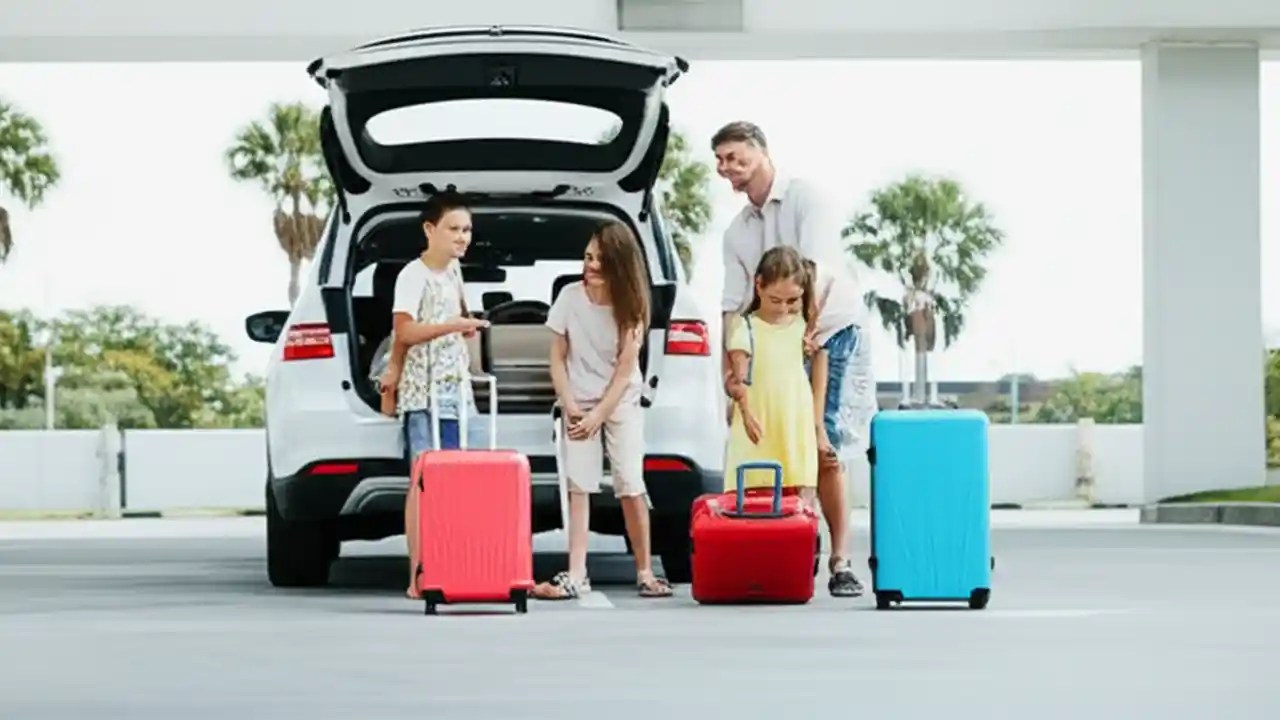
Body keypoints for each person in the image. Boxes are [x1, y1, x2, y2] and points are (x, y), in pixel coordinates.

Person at [712, 120, 875, 598]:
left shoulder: (805, 198)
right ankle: (796, 545)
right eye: (721, 161)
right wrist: (733, 374)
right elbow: (732, 302)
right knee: (776, 445)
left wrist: (805, 334)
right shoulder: (737, 232)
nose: (728, 169)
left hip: (828, 333)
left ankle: (841, 561)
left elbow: (814, 271)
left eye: (736, 157)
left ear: (762, 152)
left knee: (824, 445)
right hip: (770, 342)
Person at [533, 220, 674, 600]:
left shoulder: (633, 306)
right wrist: (571, 404)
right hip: (578, 400)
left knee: (630, 483)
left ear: (620, 265)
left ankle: (645, 571)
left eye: (600, 260)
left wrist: (599, 415)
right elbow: (557, 357)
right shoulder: (568, 297)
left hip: (620, 401)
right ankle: (577, 573)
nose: (590, 266)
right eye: (588, 257)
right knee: (579, 486)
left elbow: (625, 371)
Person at [377, 191, 489, 600]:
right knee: (424, 482)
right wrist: (452, 325)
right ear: (429, 230)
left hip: (455, 390)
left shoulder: (455, 271)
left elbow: (457, 325)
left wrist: (467, 336)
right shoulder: (413, 275)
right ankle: (418, 574)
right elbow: (403, 332)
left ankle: (456, 566)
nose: (462, 238)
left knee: (462, 480)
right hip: (423, 391)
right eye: (454, 229)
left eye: (467, 230)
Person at [723, 247, 828, 515]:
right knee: (753, 504)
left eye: (792, 301)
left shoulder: (803, 328)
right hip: (759, 425)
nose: (783, 308)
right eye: (775, 299)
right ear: (758, 286)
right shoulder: (744, 327)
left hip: (795, 425)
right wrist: (745, 413)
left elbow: (819, 365)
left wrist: (817, 426)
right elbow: (737, 381)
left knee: (799, 506)